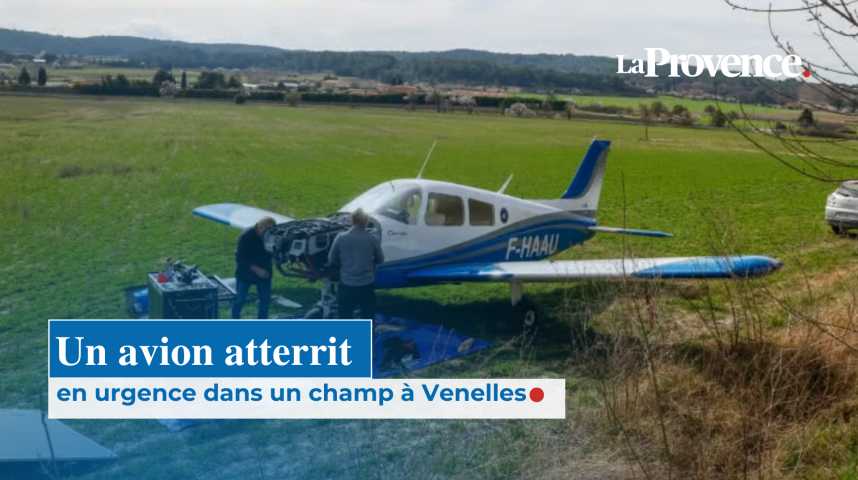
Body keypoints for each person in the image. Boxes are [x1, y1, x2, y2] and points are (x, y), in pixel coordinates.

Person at [328, 209, 384, 319]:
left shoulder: (341, 237)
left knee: (345, 317)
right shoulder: (372, 239)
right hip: (366, 285)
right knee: (368, 317)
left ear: (352, 221)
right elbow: (380, 259)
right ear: (366, 221)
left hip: (346, 284)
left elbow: (331, 259)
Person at [232, 217, 275, 319]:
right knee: (240, 299)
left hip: (264, 271)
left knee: (265, 300)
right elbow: (240, 258)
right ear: (259, 228)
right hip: (245, 272)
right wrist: (257, 270)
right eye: (266, 231)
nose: (268, 235)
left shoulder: (272, 235)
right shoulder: (246, 236)